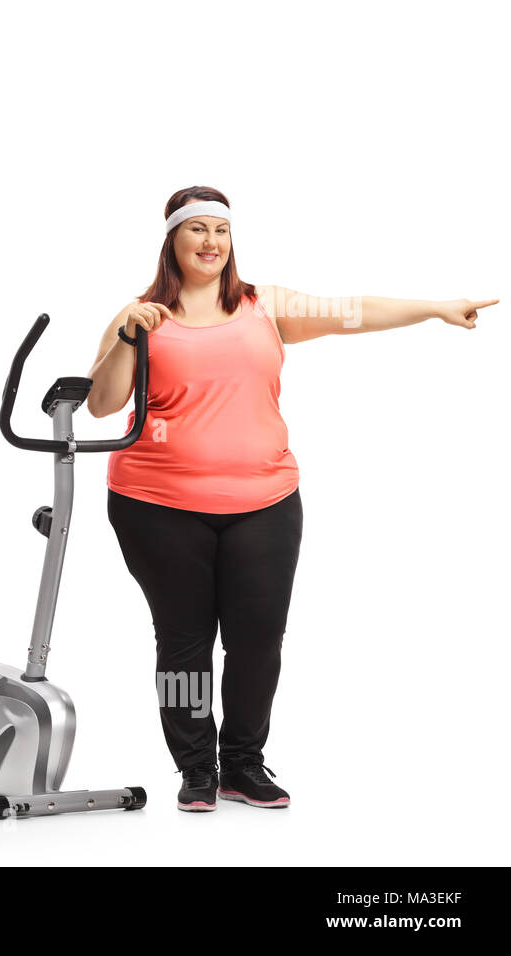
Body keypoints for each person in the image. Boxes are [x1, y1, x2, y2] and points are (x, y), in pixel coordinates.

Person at [85, 186, 497, 812]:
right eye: (195, 230)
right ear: (171, 240)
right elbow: (102, 403)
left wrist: (435, 308)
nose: (210, 242)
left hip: (265, 500)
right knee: (185, 642)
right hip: (157, 505)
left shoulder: (264, 306)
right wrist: (125, 337)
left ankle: (242, 765)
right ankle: (196, 768)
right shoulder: (141, 313)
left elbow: (352, 310)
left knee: (258, 639)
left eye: (219, 231)